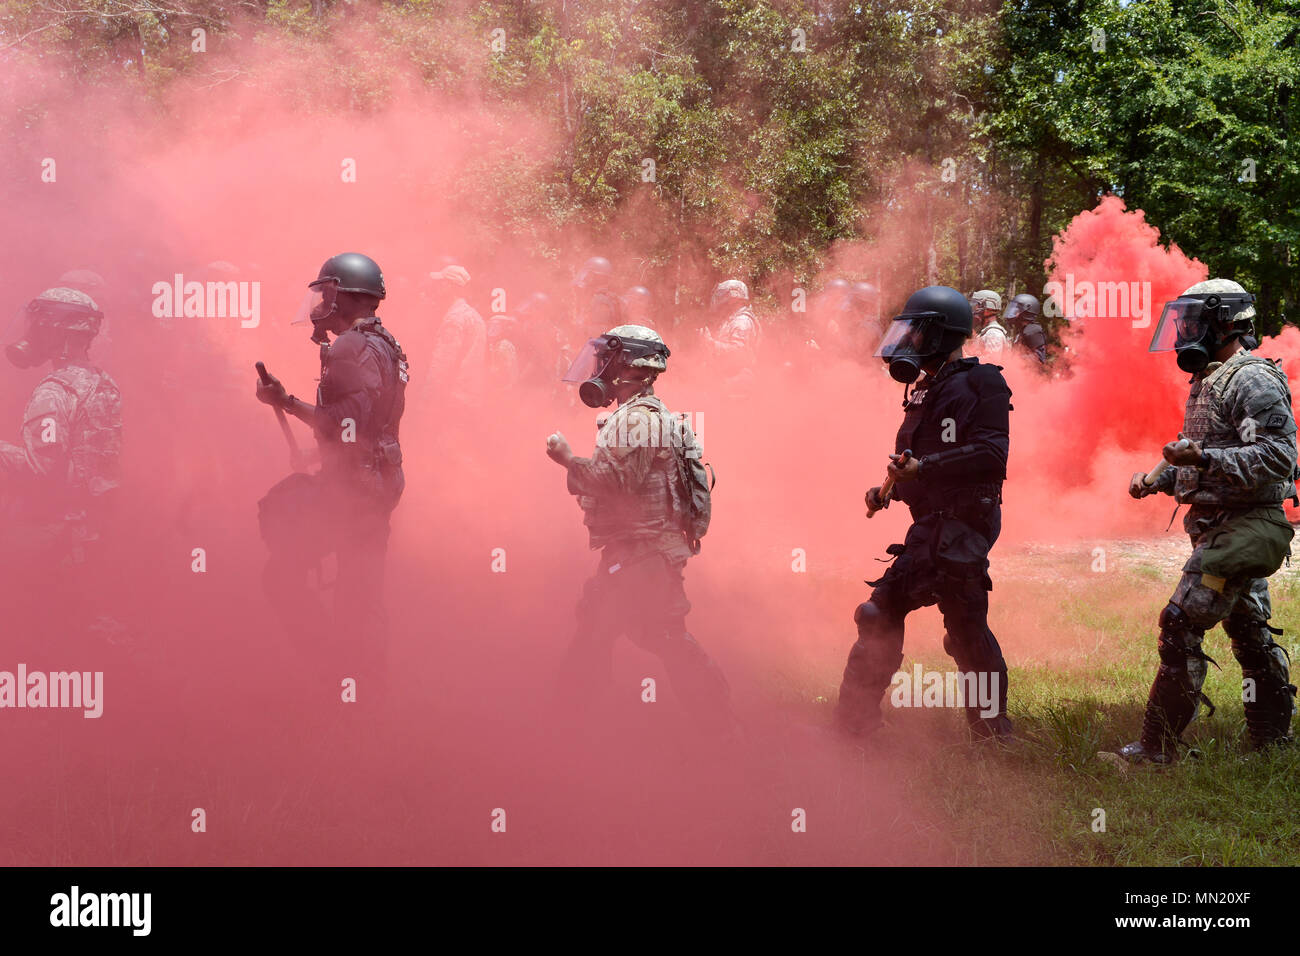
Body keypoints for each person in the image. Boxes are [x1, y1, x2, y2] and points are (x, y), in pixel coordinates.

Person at [1122, 279, 1297, 762]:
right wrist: (1158, 478)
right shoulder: (1212, 378)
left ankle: (1157, 750)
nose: (1183, 333)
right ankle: (1271, 738)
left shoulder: (1251, 379)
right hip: (1225, 528)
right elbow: (1202, 443)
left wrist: (1202, 458)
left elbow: (1278, 456)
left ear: (1224, 323)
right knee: (1249, 629)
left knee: (1180, 623)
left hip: (1243, 530)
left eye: (1193, 322)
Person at [834, 285, 1014, 741]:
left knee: (949, 623)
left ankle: (991, 732)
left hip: (964, 524)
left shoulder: (982, 383)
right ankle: (859, 725)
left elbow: (992, 454)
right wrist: (889, 490)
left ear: (939, 334)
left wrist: (925, 466)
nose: (908, 340)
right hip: (932, 523)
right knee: (954, 624)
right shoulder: (925, 390)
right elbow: (919, 459)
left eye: (916, 331)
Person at [545, 324, 733, 733]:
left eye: (605, 359)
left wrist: (566, 460)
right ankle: (569, 725)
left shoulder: (639, 421)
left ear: (627, 364)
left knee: (660, 638)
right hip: (635, 553)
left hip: (644, 556)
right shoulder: (636, 416)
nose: (599, 368)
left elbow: (614, 483)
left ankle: (723, 729)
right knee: (600, 630)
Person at [255, 252, 409, 688]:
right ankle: (360, 690)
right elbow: (368, 424)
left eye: (325, 291)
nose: (320, 302)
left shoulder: (352, 346)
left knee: (285, 577)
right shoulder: (384, 342)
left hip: (354, 490)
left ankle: (336, 677)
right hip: (374, 482)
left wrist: (286, 402)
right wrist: (316, 455)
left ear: (343, 294)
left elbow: (349, 425)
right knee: (361, 595)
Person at [1, 287, 122, 572]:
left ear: (55, 332)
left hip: (53, 536)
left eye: (38, 326)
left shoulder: (55, 391)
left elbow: (44, 468)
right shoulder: (103, 382)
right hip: (90, 532)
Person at [1002, 293, 1047, 365]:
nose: (1013, 313)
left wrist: (1016, 359)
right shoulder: (1022, 331)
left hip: (1031, 375)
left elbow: (1039, 358)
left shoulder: (1033, 331)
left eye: (1016, 311)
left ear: (1026, 311)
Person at [969, 289, 1009, 356]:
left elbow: (991, 362)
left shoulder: (993, 334)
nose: (975, 308)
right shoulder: (986, 331)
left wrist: (966, 358)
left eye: (978, 305)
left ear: (989, 307)